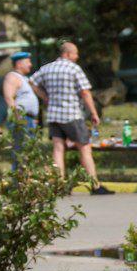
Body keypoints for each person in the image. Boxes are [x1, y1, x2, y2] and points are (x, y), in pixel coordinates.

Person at [29, 41, 112, 195]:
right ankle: (95, 185)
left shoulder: (47, 68)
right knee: (84, 147)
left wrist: (45, 97)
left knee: (58, 149)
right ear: (67, 54)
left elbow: (32, 82)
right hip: (72, 115)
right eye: (75, 53)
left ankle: (59, 184)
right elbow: (85, 92)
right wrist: (94, 112)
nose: (77, 56)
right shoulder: (74, 69)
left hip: (53, 115)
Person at [2, 51, 39, 162]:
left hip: (27, 119)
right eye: (28, 62)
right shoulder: (12, 77)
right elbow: (9, 97)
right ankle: (18, 178)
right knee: (21, 152)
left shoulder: (24, 78)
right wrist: (18, 117)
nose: (30, 64)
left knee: (29, 152)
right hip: (21, 119)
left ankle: (26, 178)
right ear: (18, 64)